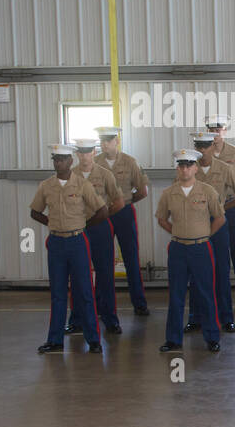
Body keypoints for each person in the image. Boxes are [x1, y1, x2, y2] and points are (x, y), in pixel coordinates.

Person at [30, 144, 106, 354]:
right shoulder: (46, 186)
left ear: (71, 162)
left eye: (62, 159)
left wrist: (83, 226)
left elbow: (102, 210)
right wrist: (53, 223)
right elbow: (35, 212)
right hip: (56, 243)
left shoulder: (82, 185)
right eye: (55, 159)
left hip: (77, 242)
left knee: (84, 292)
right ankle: (55, 340)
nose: (58, 163)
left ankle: (94, 340)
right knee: (57, 293)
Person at [155, 149, 224, 353]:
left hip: (201, 248)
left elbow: (220, 218)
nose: (184, 169)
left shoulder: (208, 191)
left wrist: (205, 235)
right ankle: (173, 339)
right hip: (178, 249)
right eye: (181, 166)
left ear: (195, 168)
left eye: (188, 165)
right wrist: (176, 231)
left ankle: (212, 337)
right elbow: (161, 218)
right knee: (176, 295)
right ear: (177, 168)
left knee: (205, 293)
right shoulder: (168, 193)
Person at [186, 132, 235, 335]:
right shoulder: (188, 169)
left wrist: (223, 207)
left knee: (221, 270)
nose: (202, 150)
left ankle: (226, 317)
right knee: (196, 271)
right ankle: (195, 317)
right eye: (199, 147)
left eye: (206, 146)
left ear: (213, 147)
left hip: (218, 224)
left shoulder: (225, 169)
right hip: (195, 224)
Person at [64, 138, 125, 336]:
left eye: (87, 152)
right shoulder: (69, 175)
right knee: (78, 275)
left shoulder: (105, 175)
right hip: (77, 228)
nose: (84, 156)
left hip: (100, 228)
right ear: (76, 155)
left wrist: (104, 213)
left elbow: (118, 202)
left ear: (94, 152)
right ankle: (77, 320)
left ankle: (109, 319)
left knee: (105, 273)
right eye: (80, 152)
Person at [96, 126, 150, 315]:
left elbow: (142, 191)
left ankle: (139, 303)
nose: (104, 144)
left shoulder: (129, 162)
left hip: (124, 213)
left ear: (116, 141)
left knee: (131, 258)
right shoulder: (95, 163)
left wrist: (124, 203)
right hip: (102, 214)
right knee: (103, 261)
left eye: (108, 141)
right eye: (101, 141)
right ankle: (102, 306)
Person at [205, 115, 235, 313]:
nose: (215, 134)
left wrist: (226, 206)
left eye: (219, 130)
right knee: (215, 257)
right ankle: (217, 301)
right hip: (207, 211)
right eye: (212, 130)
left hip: (231, 208)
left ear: (225, 131)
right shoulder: (200, 156)